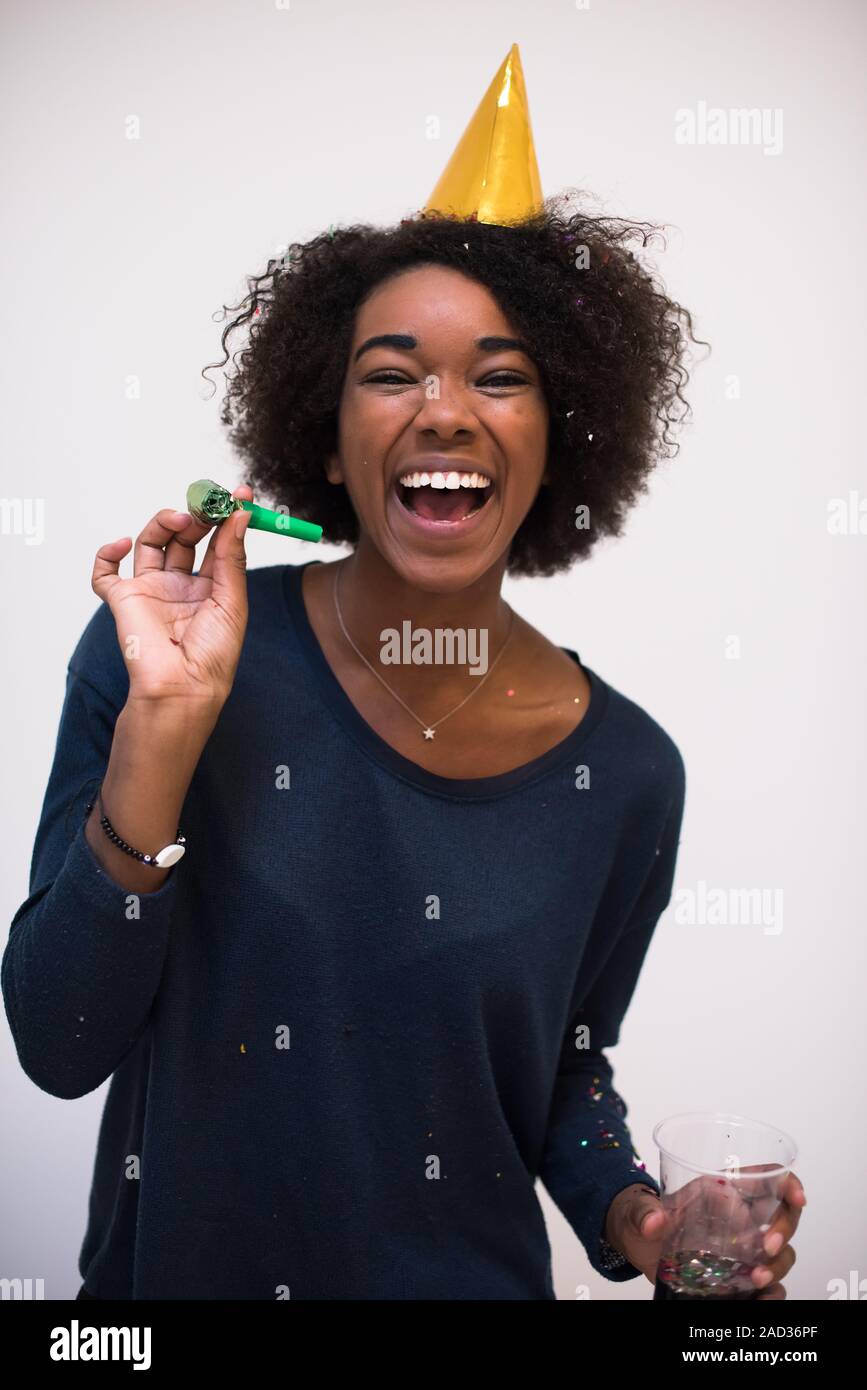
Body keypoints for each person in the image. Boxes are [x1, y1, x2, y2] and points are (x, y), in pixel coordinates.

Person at [3, 49, 805, 1301]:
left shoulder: (629, 774)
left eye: (501, 377)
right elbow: (58, 1043)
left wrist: (644, 1221)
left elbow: (558, 1074)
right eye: (392, 373)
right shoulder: (161, 651)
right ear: (325, 429)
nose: (444, 410)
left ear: (563, 429)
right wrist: (163, 727)